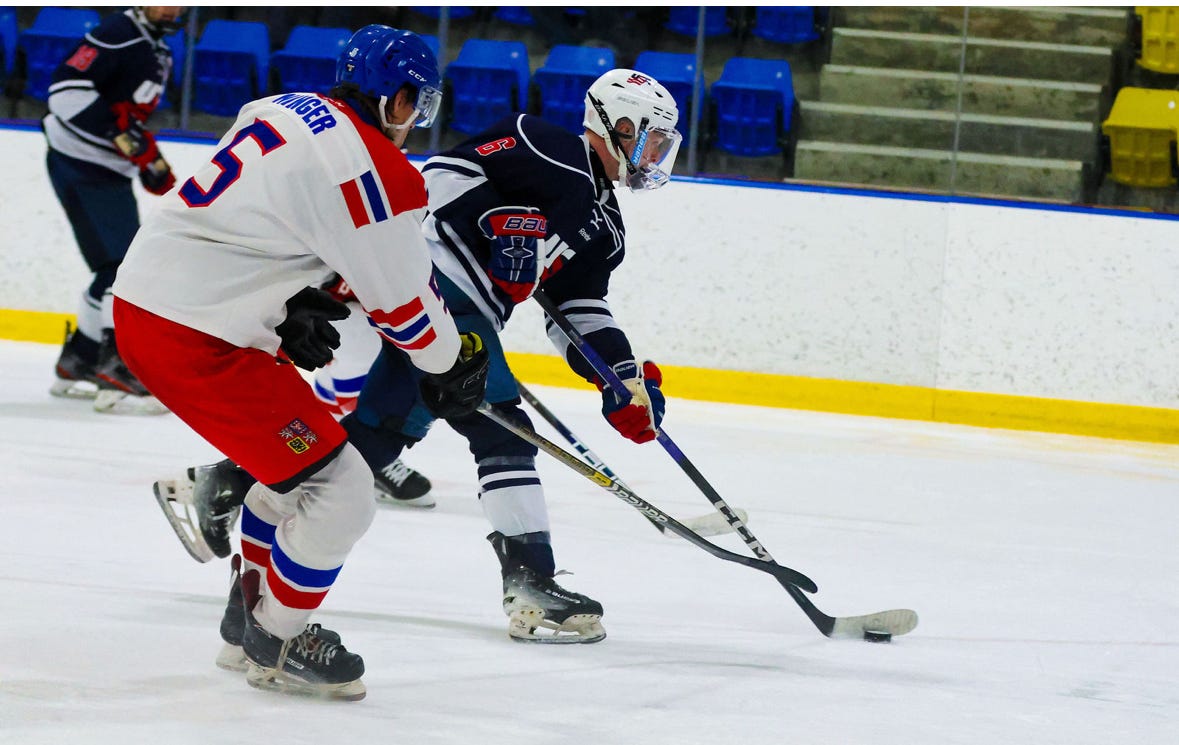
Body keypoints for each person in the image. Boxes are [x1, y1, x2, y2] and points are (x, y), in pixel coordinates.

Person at [111, 25, 489, 700]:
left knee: (293, 471)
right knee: (343, 488)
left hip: (165, 302)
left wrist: (290, 298)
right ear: (393, 99)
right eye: (414, 104)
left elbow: (258, 215)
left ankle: (245, 623)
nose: (413, 122)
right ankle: (279, 640)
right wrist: (449, 361)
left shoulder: (283, 107)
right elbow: (409, 315)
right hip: (194, 335)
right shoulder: (371, 168)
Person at [341, 68, 682, 644]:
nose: (653, 154)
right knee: (505, 433)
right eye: (649, 138)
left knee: (380, 432)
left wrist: (620, 378)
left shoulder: (607, 226)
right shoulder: (542, 143)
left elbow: (576, 309)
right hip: (431, 284)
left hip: (463, 312)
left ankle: (233, 485)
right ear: (618, 124)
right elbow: (440, 177)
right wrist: (494, 225)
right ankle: (531, 582)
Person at [44, 6, 185, 415]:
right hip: (81, 163)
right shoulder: (118, 32)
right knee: (123, 267)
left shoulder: (157, 45)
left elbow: (126, 113)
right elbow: (65, 93)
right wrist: (118, 133)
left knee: (112, 267)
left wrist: (143, 152)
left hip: (104, 167)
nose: (172, 8)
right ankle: (119, 365)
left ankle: (80, 360)